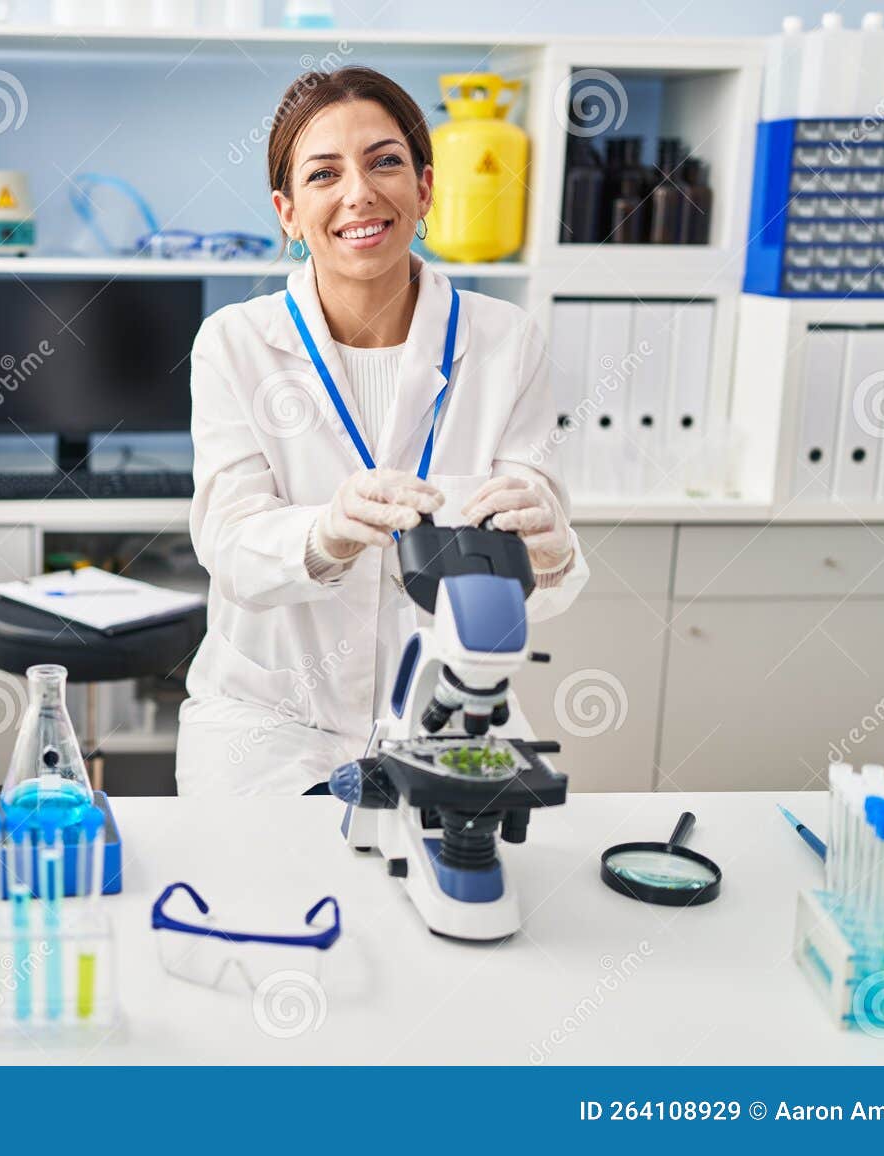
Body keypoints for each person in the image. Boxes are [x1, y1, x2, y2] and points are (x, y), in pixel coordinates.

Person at [177, 67, 589, 796]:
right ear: (288, 212)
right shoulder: (234, 343)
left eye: (385, 161)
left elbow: (540, 581)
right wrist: (324, 533)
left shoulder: (508, 341)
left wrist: (549, 550)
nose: (359, 193)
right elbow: (231, 549)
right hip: (272, 726)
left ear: (426, 189)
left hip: (454, 714)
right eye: (323, 173)